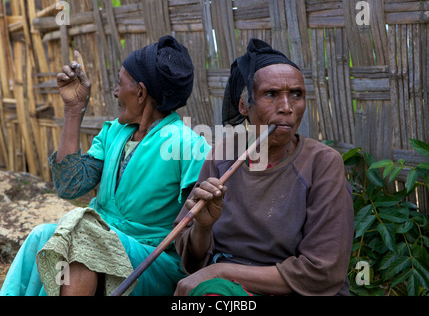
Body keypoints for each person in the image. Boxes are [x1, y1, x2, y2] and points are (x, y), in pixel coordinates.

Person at [0, 35, 210, 296]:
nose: (115, 93)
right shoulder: (116, 132)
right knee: (41, 236)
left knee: (86, 237)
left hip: (149, 262)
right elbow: (69, 186)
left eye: (119, 85)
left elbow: (199, 227)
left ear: (141, 93)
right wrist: (74, 109)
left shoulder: (187, 144)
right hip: (97, 242)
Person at [173, 38, 354, 296]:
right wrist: (203, 226)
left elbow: (322, 272)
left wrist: (221, 271)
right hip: (222, 287)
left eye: (296, 95)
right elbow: (191, 260)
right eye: (271, 94)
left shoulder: (323, 163)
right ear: (244, 106)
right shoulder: (223, 155)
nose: (287, 108)